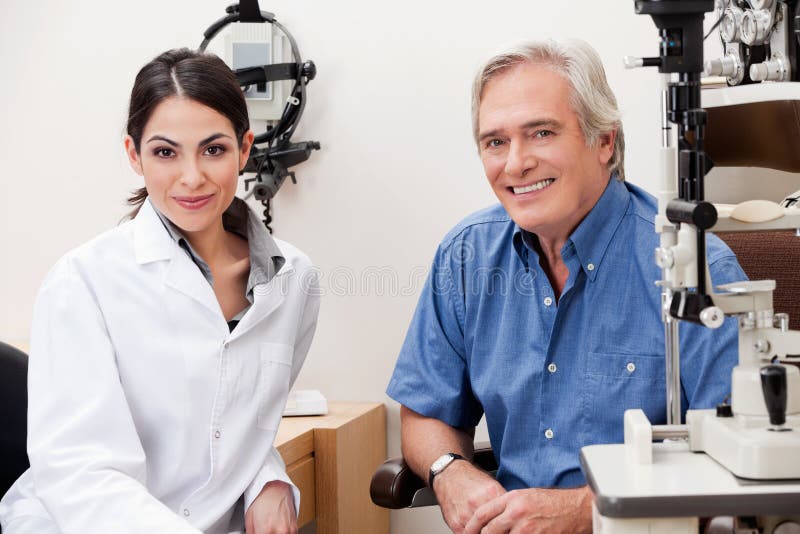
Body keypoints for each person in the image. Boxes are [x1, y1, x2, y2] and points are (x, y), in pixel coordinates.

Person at [386, 39, 746, 534]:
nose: (515, 164)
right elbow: (425, 411)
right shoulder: (466, 256)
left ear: (604, 141)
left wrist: (586, 510)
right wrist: (451, 473)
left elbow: (734, 460)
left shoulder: (694, 268)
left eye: (541, 133)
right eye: (495, 142)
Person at [0, 48, 319, 534]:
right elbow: (82, 475)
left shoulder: (294, 279)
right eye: (165, 152)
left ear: (245, 147)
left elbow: (245, 428)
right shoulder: (81, 283)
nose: (192, 177)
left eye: (214, 149)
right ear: (134, 154)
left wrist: (266, 479)